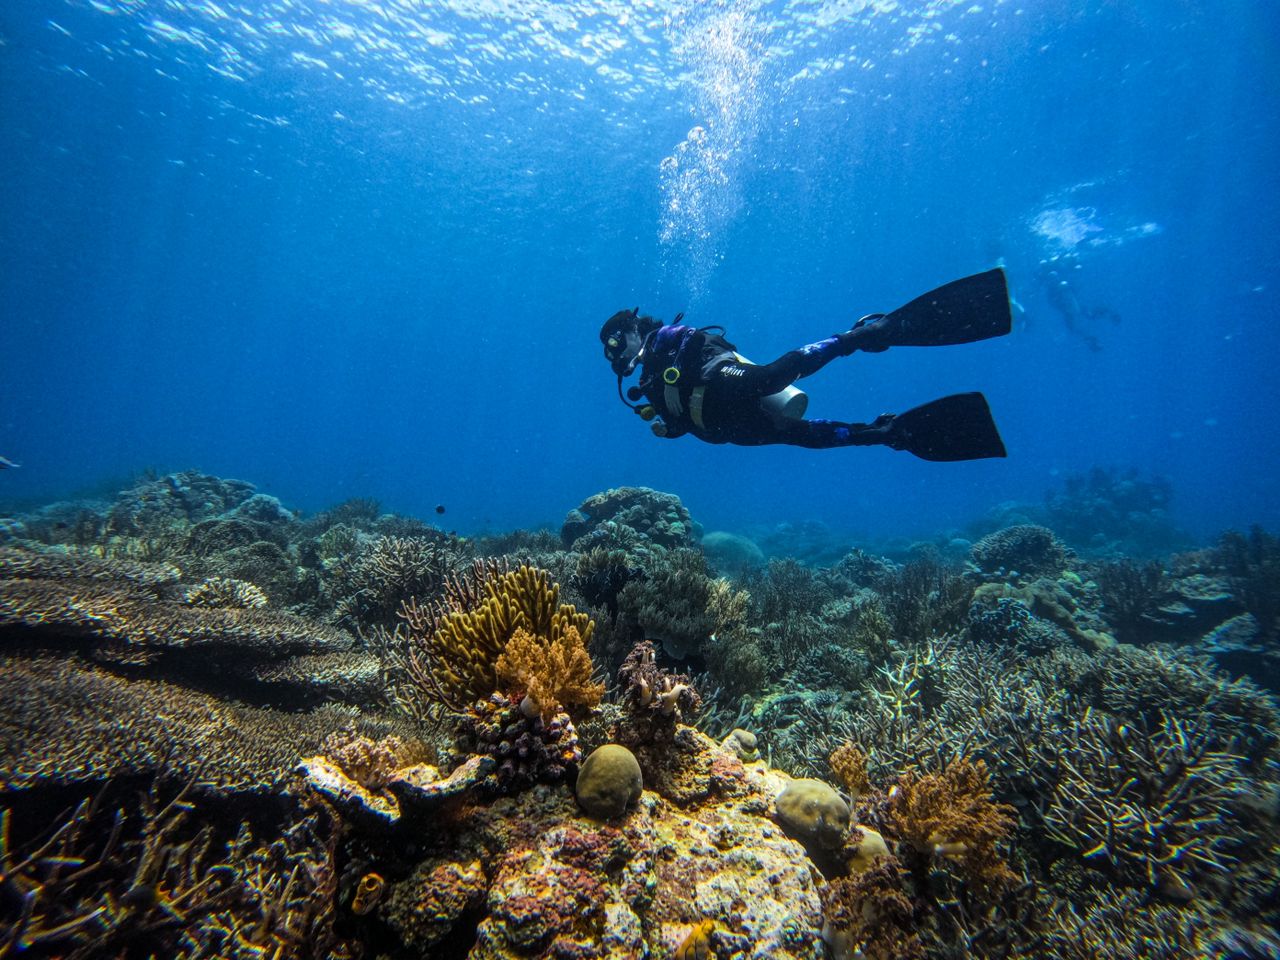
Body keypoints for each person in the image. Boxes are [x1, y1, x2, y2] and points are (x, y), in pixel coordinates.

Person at [600, 268, 1012, 461]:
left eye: (615, 341)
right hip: (727, 426)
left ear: (632, 329)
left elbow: (690, 345)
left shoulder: (663, 341)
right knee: (800, 436)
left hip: (721, 382)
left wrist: (657, 360)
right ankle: (885, 432)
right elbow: (678, 425)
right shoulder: (647, 380)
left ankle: (864, 335)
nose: (614, 353)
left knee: (773, 377)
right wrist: (668, 427)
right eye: (609, 350)